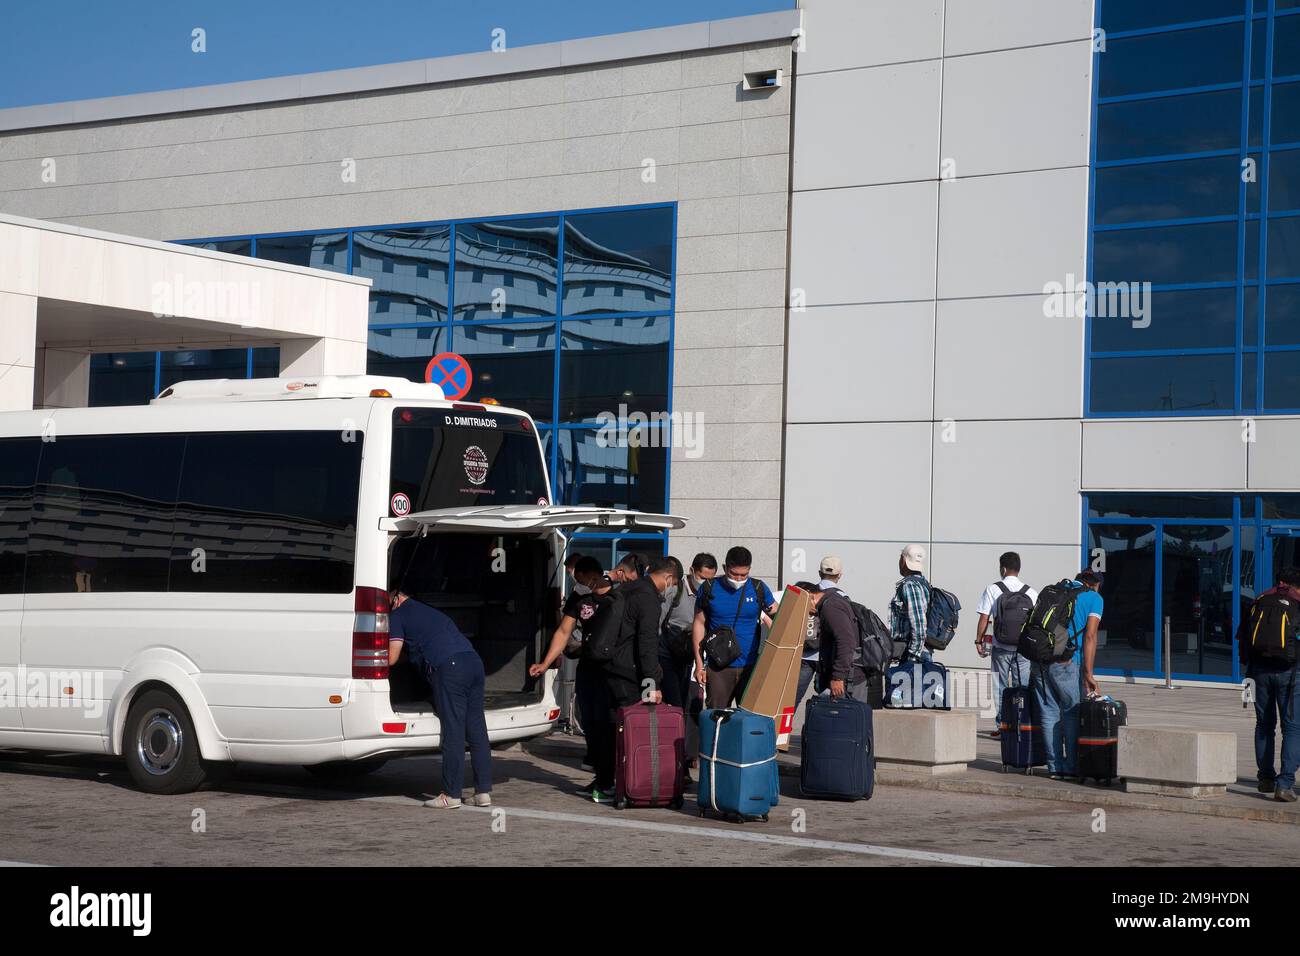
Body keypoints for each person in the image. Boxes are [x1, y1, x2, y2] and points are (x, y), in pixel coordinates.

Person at [388, 589, 492, 809]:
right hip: (473, 662)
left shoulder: (397, 615)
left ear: (395, 598)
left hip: (450, 668)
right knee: (477, 730)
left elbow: (392, 656)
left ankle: (451, 795)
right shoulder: (429, 611)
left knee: (453, 731)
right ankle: (483, 792)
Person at [589, 557, 677, 802]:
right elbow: (647, 644)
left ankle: (603, 782)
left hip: (608, 667)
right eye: (673, 584)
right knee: (625, 730)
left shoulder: (626, 589)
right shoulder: (648, 599)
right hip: (627, 672)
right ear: (669, 578)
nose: (671, 589)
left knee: (608, 726)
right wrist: (653, 684)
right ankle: (618, 784)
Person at [1032, 570, 1103, 781]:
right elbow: (1090, 635)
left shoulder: (1054, 590)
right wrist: (1089, 673)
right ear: (1096, 584)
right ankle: (1071, 766)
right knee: (1072, 712)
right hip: (1066, 662)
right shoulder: (1094, 598)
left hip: (1039, 657)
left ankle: (1055, 767)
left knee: (1049, 712)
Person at [692, 546, 778, 709]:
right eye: (734, 574)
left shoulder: (758, 588)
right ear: (725, 568)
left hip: (751, 666)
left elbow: (777, 613)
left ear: (750, 570)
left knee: (749, 719)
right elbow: (698, 623)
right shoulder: (709, 588)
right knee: (716, 716)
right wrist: (699, 665)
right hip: (719, 667)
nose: (738, 579)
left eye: (744, 575)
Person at [1243, 566, 1300, 802]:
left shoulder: (1259, 600)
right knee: (1293, 728)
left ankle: (1266, 778)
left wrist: (1249, 669)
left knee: (1264, 726)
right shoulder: (1297, 602)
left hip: (1258, 672)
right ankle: (1285, 784)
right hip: (1291, 674)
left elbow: (1243, 637)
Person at [974, 552, 1037, 739]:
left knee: (999, 687)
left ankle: (1003, 727)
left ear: (1003, 568)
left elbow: (984, 618)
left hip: (1000, 647)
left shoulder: (993, 589)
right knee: (1022, 687)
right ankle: (1021, 725)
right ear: (1019, 568)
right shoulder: (1031, 592)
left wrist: (979, 640)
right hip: (1024, 649)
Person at [794, 556, 844, 709]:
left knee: (792, 699)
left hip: (805, 654)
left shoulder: (808, 593)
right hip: (826, 658)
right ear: (840, 575)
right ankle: (818, 727)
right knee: (827, 699)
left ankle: (781, 730)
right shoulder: (840, 596)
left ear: (819, 573)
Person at [890, 544, 932, 662]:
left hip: (915, 654)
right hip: (918, 651)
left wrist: (913, 656)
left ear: (904, 561)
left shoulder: (910, 585)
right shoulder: (922, 583)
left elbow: (918, 621)